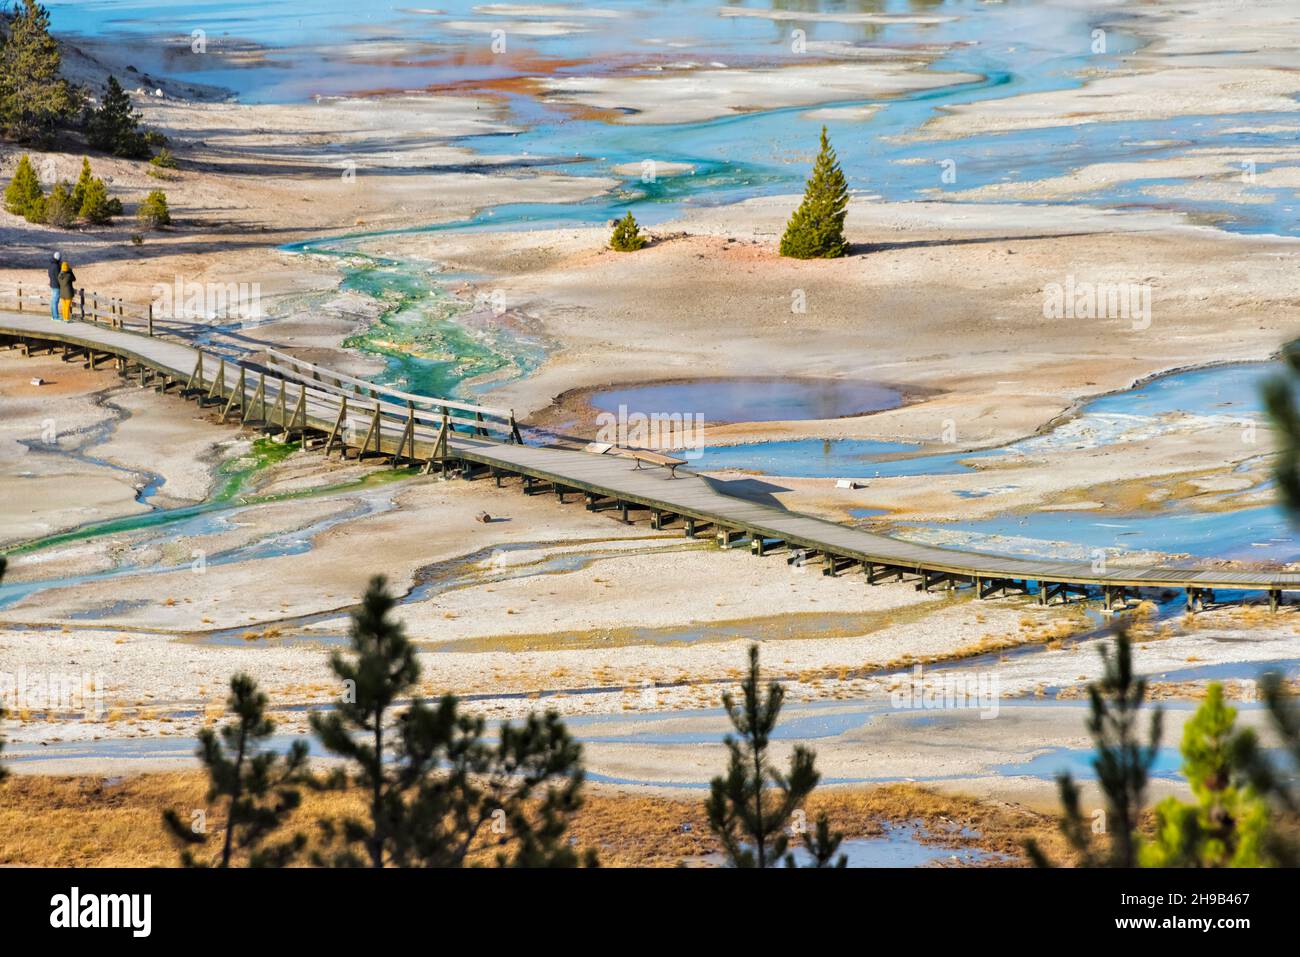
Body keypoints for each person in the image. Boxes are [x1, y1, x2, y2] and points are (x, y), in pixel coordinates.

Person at [47, 251, 61, 321]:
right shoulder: (57, 266)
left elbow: (49, 274)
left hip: (52, 284)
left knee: (53, 301)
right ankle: (55, 317)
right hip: (56, 285)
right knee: (55, 301)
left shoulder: (51, 265)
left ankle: (53, 316)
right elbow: (59, 276)